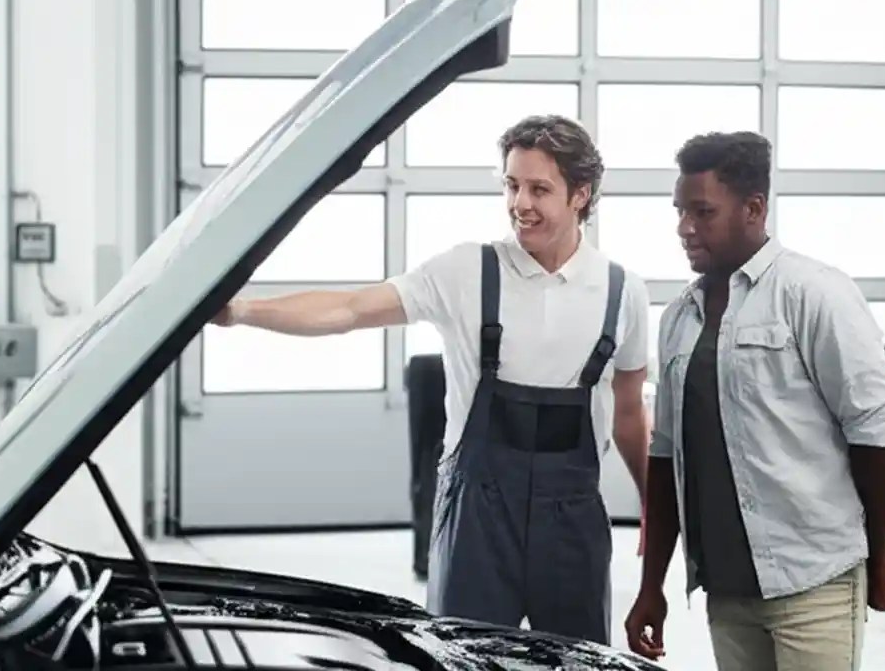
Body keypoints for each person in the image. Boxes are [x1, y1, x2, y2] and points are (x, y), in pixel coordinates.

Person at [212, 114, 652, 644]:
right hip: (476, 521)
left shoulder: (621, 291)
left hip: (573, 520)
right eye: (511, 185)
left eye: (539, 189)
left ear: (581, 195)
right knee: (456, 656)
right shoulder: (465, 271)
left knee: (577, 660)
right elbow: (351, 308)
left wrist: (653, 503)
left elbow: (629, 411)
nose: (520, 204)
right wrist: (239, 311)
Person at [624, 131, 885, 670]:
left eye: (703, 212)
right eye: (680, 211)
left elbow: (876, 435)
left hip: (812, 584)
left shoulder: (815, 294)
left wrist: (880, 554)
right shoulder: (679, 319)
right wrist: (651, 585)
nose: (685, 227)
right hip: (726, 592)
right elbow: (666, 458)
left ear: (754, 208)